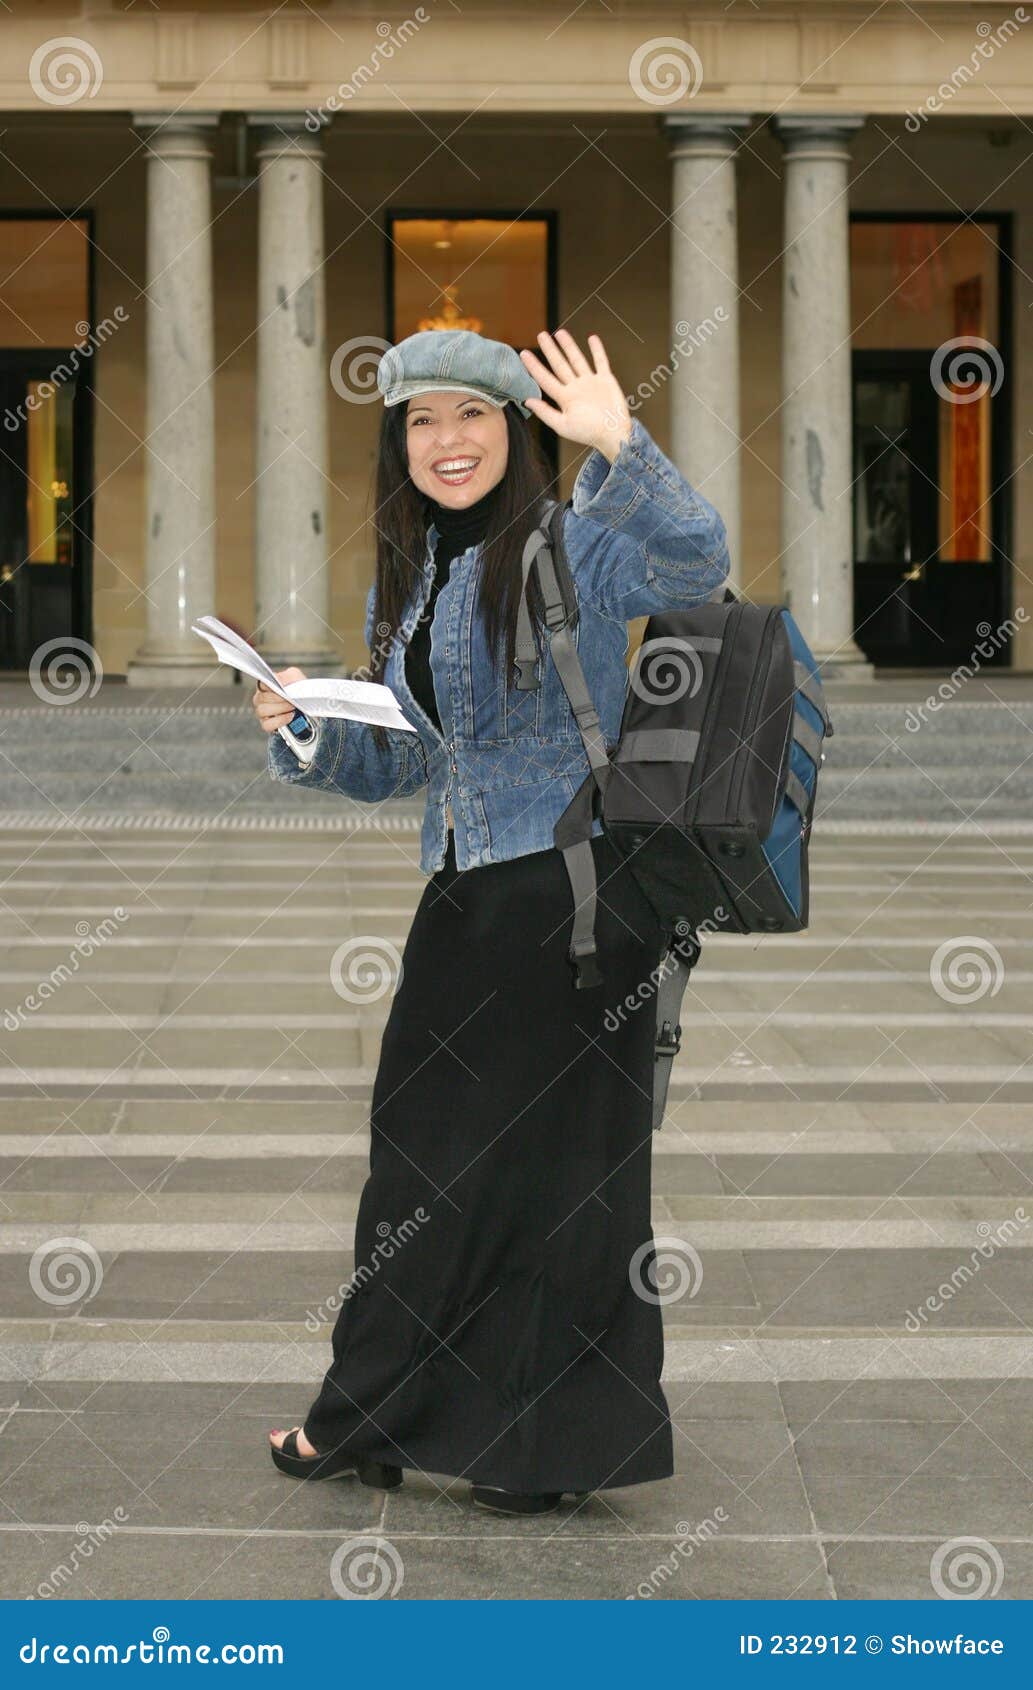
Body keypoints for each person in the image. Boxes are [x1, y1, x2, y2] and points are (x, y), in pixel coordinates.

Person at [252, 326, 730, 1515]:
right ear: (397, 441)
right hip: (465, 897)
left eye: (471, 415)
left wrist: (622, 443)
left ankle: (527, 1449)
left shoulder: (575, 543)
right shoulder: (411, 577)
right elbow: (399, 763)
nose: (446, 441)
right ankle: (382, 1412)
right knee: (423, 1166)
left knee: (568, 1179)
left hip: (575, 898)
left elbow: (694, 568)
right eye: (420, 420)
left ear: (514, 430)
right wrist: (302, 727)